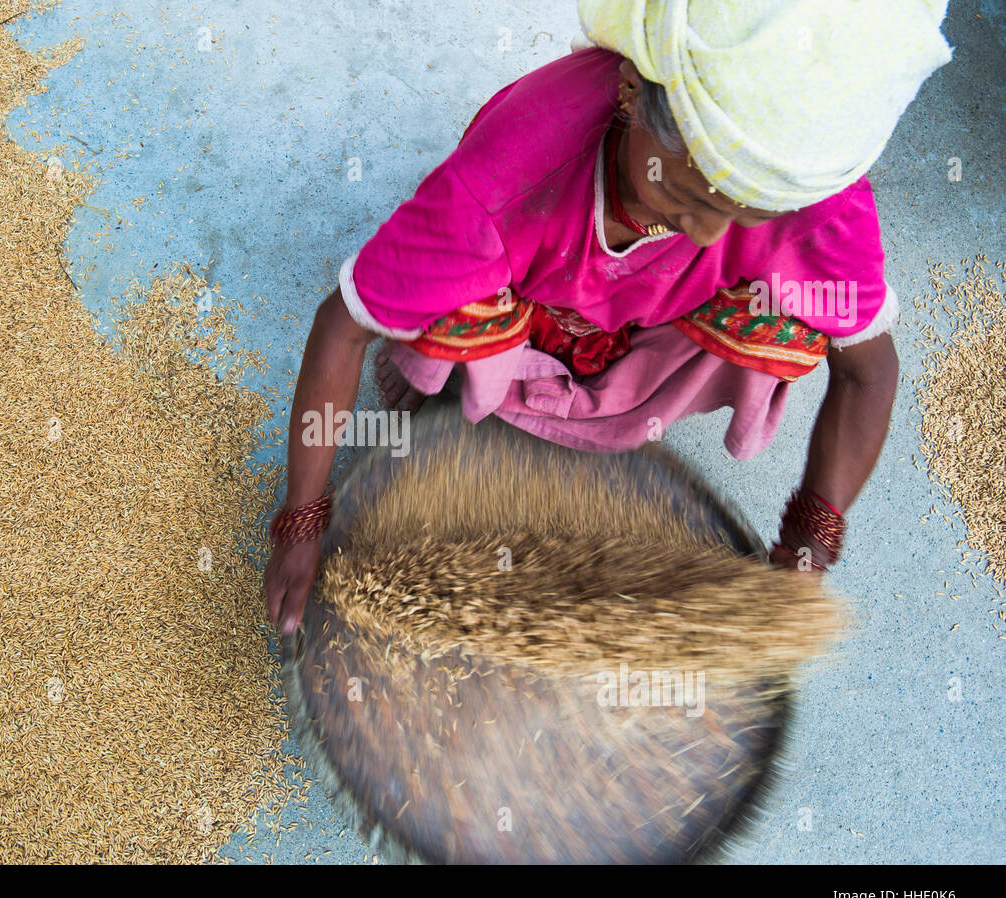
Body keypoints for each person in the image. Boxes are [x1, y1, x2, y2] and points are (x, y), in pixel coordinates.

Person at [264, 0, 953, 637]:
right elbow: (345, 322)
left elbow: (868, 370)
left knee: (797, 321)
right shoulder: (507, 181)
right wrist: (301, 523)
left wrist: (808, 546)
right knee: (436, 298)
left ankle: (604, 400)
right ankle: (468, 382)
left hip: (654, 319)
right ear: (630, 93)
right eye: (684, 201)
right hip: (536, 299)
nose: (710, 235)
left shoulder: (800, 190)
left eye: (742, 214)